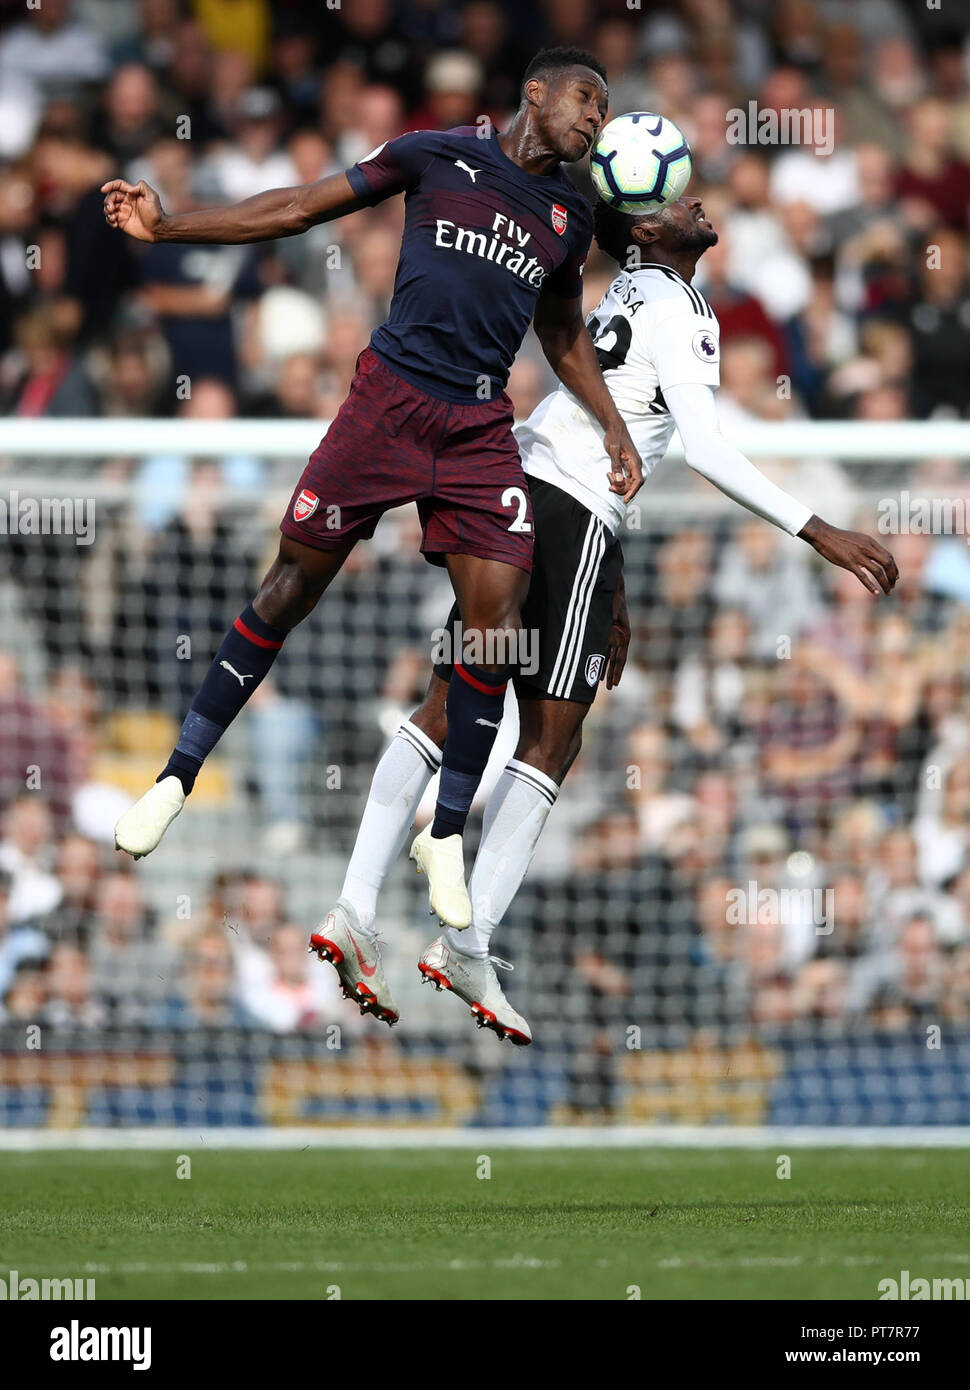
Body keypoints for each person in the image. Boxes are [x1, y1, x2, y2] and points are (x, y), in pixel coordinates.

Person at [106, 51, 644, 1012]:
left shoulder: (571, 216)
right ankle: (177, 778)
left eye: (606, 107)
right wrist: (171, 221)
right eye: (586, 98)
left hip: (479, 428)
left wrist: (607, 421)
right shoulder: (436, 154)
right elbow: (299, 206)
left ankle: (444, 831)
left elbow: (561, 332)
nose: (596, 119)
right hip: (386, 407)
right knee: (288, 590)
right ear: (534, 91)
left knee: (499, 613)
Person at [312, 191, 899, 1041]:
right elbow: (702, 444)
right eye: (675, 197)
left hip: (517, 494)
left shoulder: (624, 291)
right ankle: (466, 941)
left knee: (452, 701)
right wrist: (818, 530)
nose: (699, 202)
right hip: (574, 512)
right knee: (551, 740)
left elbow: (608, 416)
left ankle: (353, 905)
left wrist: (610, 575)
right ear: (649, 231)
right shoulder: (683, 304)